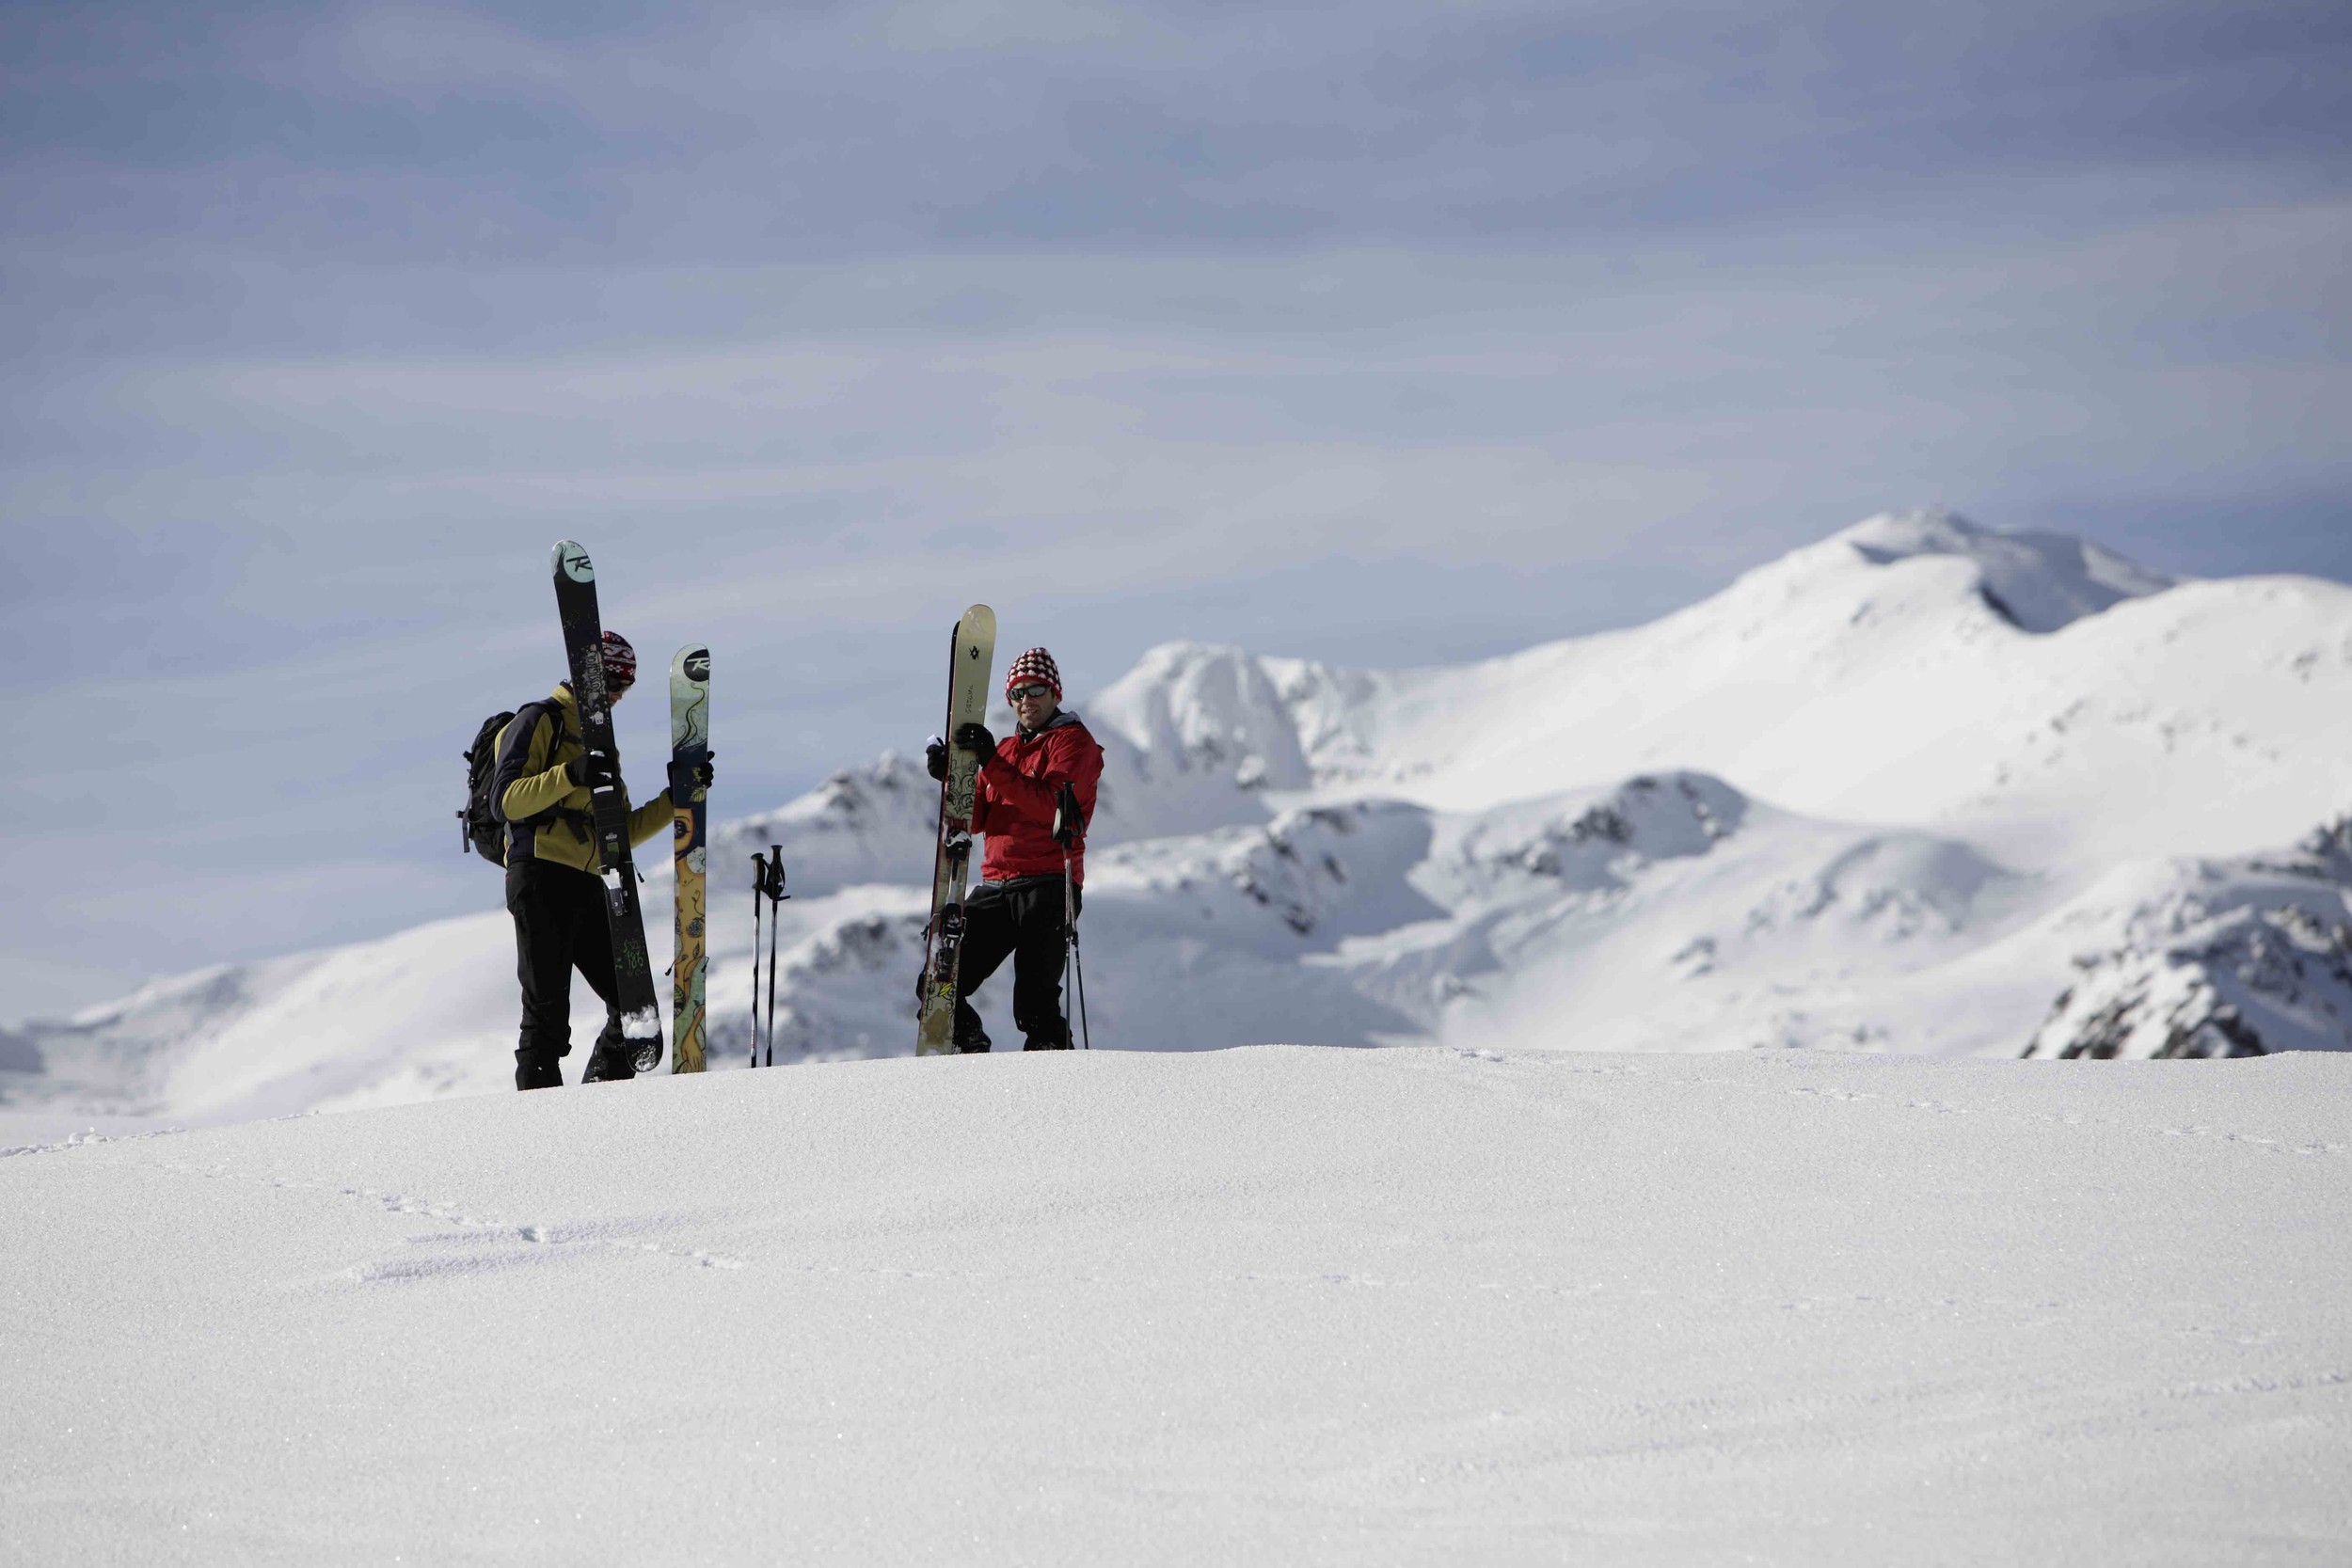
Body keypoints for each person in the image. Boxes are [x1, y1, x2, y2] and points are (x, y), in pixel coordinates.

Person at [491, 630, 711, 1089]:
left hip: (592, 881)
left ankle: (596, 1102)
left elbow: (621, 832)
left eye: (625, 686)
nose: (618, 695)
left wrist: (676, 796)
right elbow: (506, 801)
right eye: (612, 683)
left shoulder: (600, 743)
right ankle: (538, 1120)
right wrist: (572, 773)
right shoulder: (539, 719)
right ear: (585, 675)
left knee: (635, 1012)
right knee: (547, 1018)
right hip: (540, 875)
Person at [925, 647, 1105, 1052]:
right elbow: (976, 819)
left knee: (1035, 1006)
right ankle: (972, 1055)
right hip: (997, 885)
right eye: (1017, 693)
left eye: (1036, 689)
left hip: (1049, 883)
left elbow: (1050, 807)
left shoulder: (1074, 743)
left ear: (1055, 693)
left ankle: (1056, 1077)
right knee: (940, 983)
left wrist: (990, 761)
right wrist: (952, 779)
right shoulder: (1005, 750)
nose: (1026, 700)